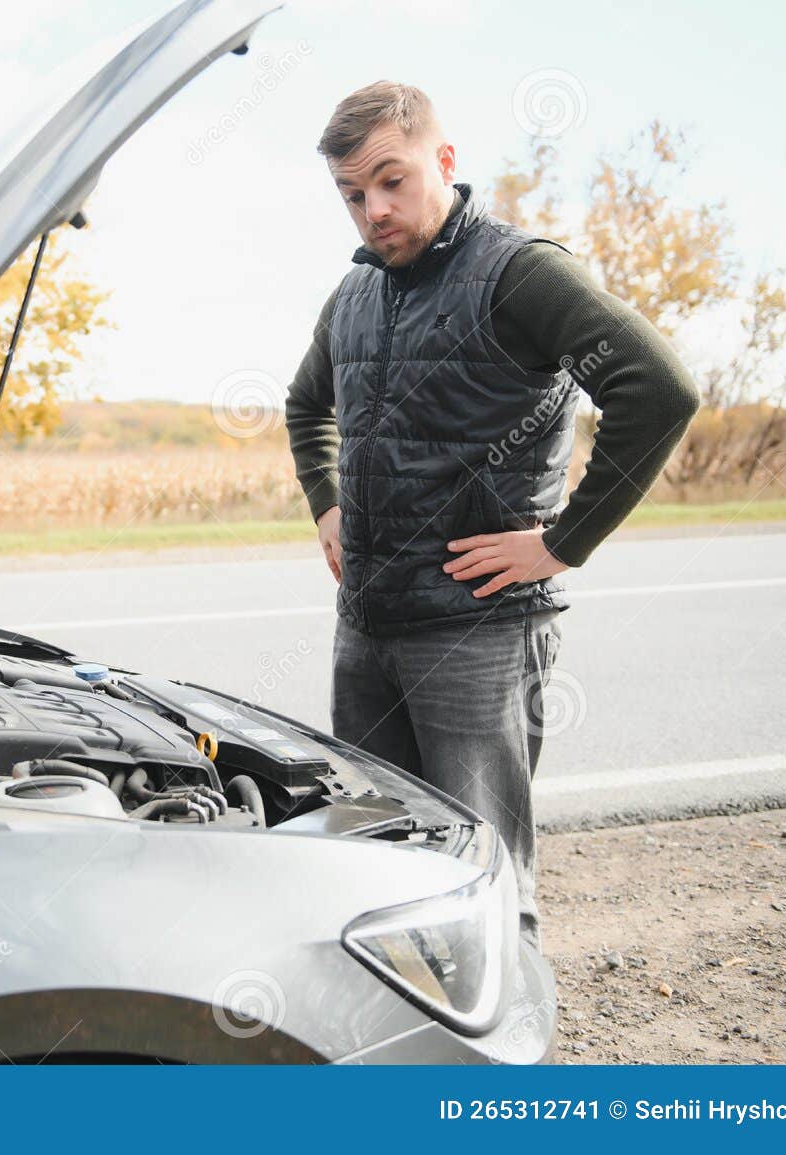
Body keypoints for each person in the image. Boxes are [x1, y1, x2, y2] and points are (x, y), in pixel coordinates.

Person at [284, 81, 700, 951]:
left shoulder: (518, 273)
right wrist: (327, 505)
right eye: (353, 195)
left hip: (477, 632)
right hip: (366, 627)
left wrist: (562, 543)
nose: (374, 210)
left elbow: (657, 389)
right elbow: (303, 405)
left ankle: (500, 1065)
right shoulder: (355, 296)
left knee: (483, 875)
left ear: (444, 161)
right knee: (373, 863)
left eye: (391, 181)